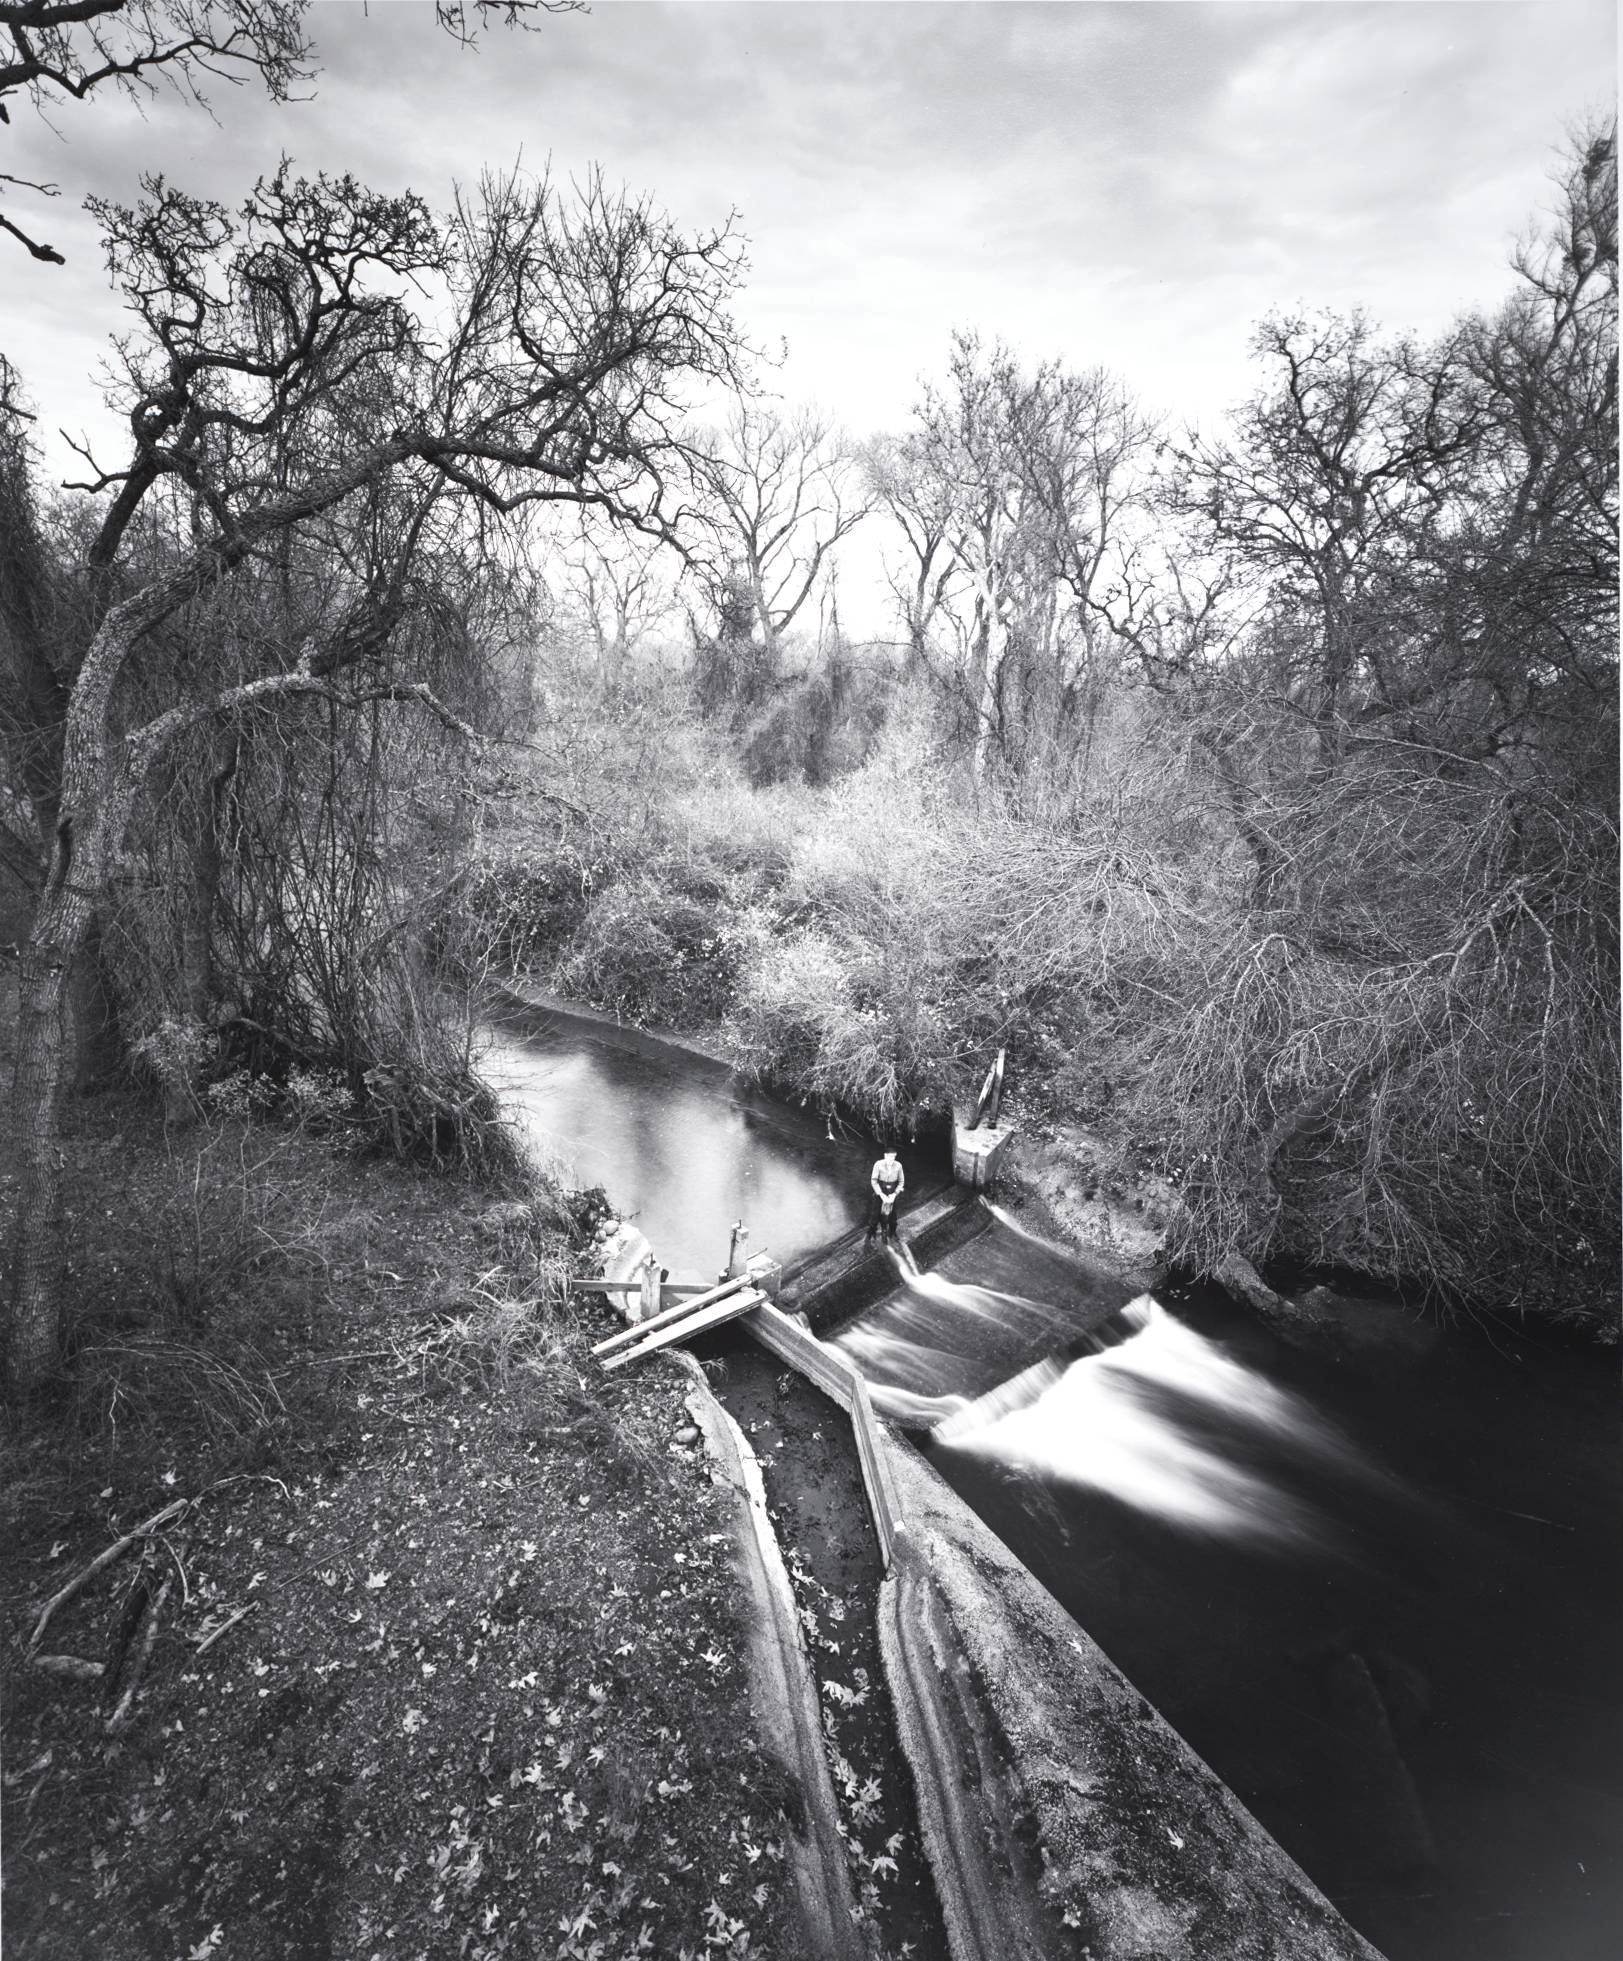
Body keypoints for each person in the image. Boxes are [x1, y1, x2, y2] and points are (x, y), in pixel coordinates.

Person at [866, 1149, 905, 1245]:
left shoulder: (898, 1165)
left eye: (893, 1156)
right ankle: (871, 1233)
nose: (891, 1159)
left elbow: (901, 1182)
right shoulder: (878, 1164)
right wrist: (881, 1195)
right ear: (885, 1155)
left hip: (892, 1192)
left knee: (892, 1215)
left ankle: (892, 1232)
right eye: (889, 1156)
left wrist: (894, 1194)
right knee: (875, 1215)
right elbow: (874, 1181)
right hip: (880, 1192)